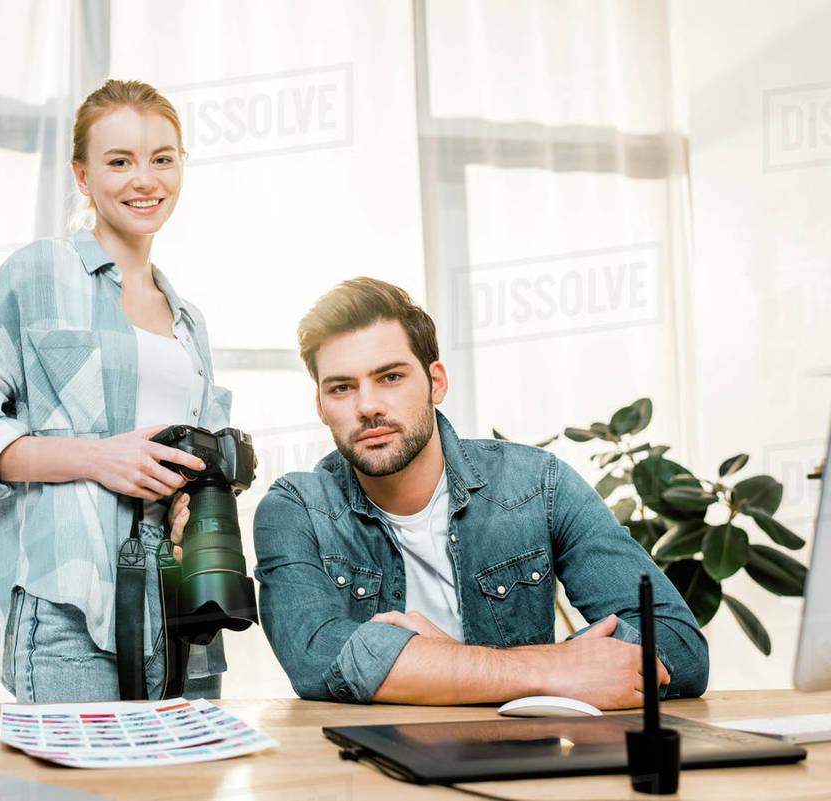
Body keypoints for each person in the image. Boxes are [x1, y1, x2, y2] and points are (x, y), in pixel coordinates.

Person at [252, 277, 709, 707]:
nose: (368, 406)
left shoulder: (538, 485)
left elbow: (678, 644)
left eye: (391, 377)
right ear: (320, 405)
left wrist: (447, 664)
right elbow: (315, 661)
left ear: (437, 382)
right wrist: (552, 670)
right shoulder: (297, 510)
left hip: (521, 764)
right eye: (342, 387)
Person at [0, 79, 231, 702]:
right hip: (72, 608)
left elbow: (197, 467)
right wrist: (99, 457)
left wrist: (191, 498)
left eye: (162, 159)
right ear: (83, 176)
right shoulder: (42, 272)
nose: (144, 179)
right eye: (119, 161)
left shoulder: (189, 321)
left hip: (182, 613)